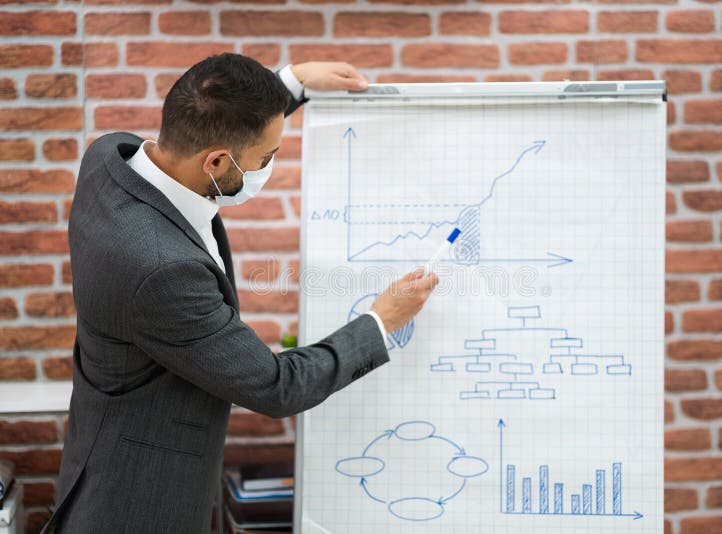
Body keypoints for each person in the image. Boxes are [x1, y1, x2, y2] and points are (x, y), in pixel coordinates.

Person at [43, 54, 439, 533]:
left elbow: (224, 124)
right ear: (214, 161)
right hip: (136, 499)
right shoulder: (163, 271)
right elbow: (276, 385)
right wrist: (381, 321)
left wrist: (289, 84)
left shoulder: (109, 159)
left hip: (101, 444)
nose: (267, 167)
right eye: (265, 159)